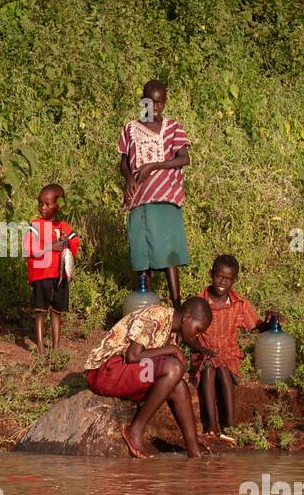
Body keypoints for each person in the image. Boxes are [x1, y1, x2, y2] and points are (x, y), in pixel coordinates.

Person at [83, 297, 213, 459]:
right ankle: (135, 429)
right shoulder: (156, 316)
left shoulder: (173, 332)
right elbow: (132, 356)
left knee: (178, 385)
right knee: (173, 368)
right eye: (198, 330)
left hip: (125, 372)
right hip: (105, 371)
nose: (197, 336)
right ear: (186, 319)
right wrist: (170, 349)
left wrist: (170, 349)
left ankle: (193, 448)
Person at [190, 255, 279, 448]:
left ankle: (230, 427)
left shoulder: (239, 303)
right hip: (204, 352)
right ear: (211, 275)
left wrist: (271, 320)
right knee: (208, 370)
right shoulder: (200, 301)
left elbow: (256, 326)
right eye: (219, 276)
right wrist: (201, 349)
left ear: (234, 280)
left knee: (223, 371)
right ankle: (211, 427)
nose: (222, 281)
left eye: (227, 278)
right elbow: (188, 333)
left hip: (229, 354)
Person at [118, 79, 190, 307]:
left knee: (168, 252)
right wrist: (129, 177)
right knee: (141, 253)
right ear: (142, 101)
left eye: (159, 103)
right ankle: (145, 306)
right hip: (139, 195)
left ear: (165, 102)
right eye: (149, 102)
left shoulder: (173, 127)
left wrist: (153, 166)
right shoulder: (130, 128)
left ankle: (177, 305)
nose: (154, 107)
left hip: (165, 195)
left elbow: (184, 158)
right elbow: (123, 161)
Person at [23, 183, 80, 357]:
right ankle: (40, 347)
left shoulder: (64, 227)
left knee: (57, 312)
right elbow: (28, 247)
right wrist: (51, 246)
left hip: (60, 276)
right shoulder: (35, 225)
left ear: (59, 205)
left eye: (47, 204)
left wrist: (66, 242)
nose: (42, 207)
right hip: (41, 276)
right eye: (41, 203)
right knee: (40, 311)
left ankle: (56, 347)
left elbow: (75, 242)